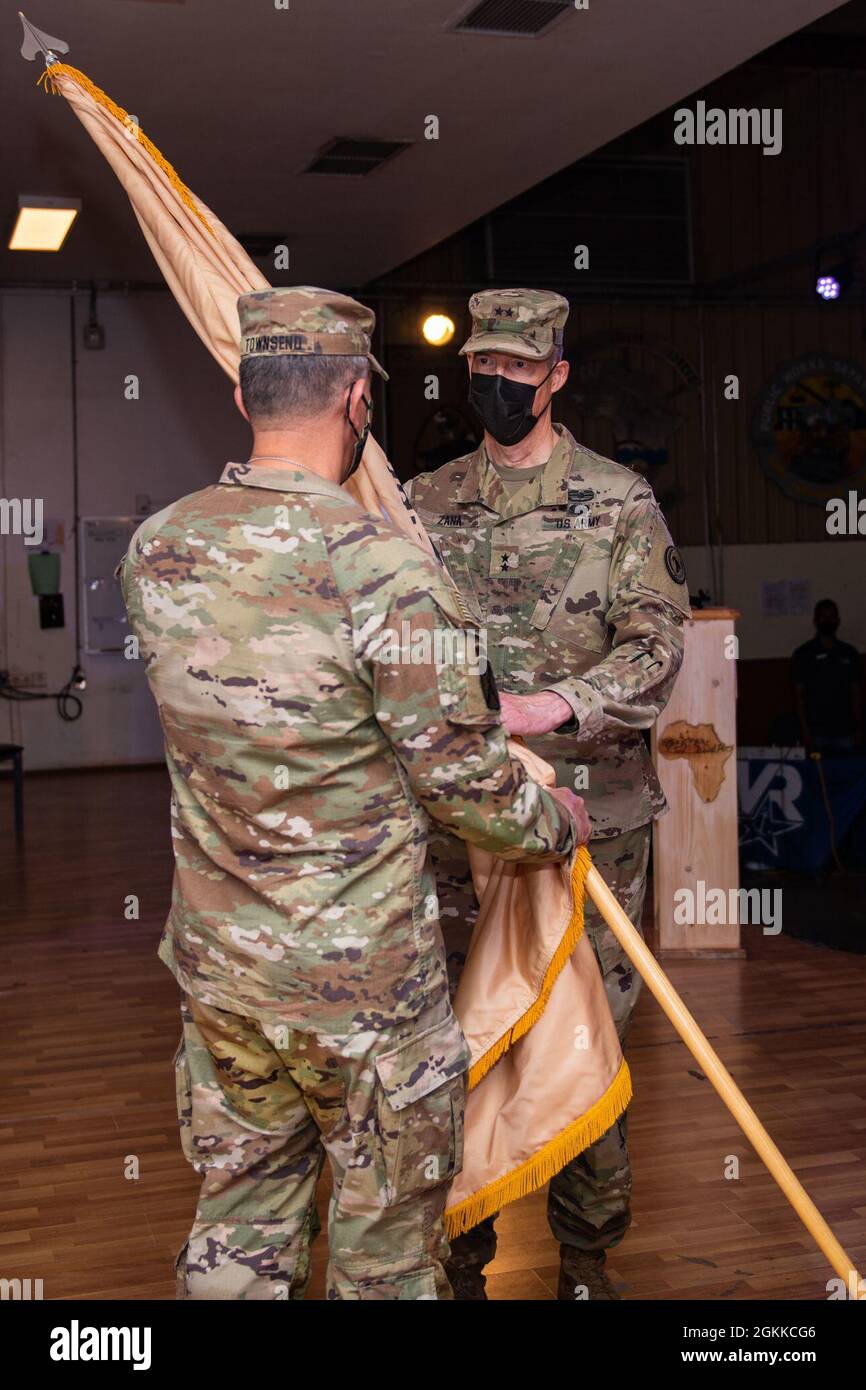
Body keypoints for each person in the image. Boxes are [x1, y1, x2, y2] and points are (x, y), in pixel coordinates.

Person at [118, 286, 588, 1301]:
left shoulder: (157, 547)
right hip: (362, 990)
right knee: (383, 1259)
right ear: (355, 404)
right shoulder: (383, 567)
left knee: (238, 1222)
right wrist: (554, 820)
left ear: (246, 401)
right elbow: (461, 781)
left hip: (224, 972)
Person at [407, 287, 690, 1300]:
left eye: (516, 371)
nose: (494, 385)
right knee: (453, 1038)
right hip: (461, 829)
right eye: (480, 368)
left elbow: (658, 645)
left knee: (584, 1033)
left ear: (555, 376)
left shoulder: (618, 501)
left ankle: (582, 1255)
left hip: (593, 825)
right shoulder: (423, 502)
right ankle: (460, 1256)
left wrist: (555, 706)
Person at [792, 600, 863, 754]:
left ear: (838, 620)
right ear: (815, 621)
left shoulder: (849, 653)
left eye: (831, 616)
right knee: (818, 777)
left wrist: (859, 728)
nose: (828, 620)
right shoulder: (804, 654)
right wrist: (805, 731)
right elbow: (799, 697)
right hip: (817, 733)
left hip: (846, 732)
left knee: (848, 775)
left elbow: (856, 693)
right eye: (823, 616)